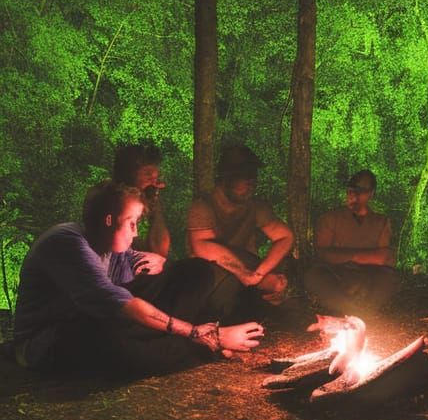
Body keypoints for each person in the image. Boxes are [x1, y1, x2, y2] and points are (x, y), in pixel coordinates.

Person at [11, 180, 263, 377]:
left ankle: (182, 341)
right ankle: (208, 343)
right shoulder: (67, 242)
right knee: (115, 339)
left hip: (102, 319)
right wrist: (195, 332)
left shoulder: (111, 246)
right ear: (108, 220)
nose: (135, 231)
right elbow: (118, 303)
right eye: (131, 222)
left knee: (195, 271)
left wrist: (157, 262)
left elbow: (148, 273)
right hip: (48, 341)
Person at [187, 142, 294, 318]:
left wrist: (260, 273)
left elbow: (285, 236)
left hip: (248, 277)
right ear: (226, 178)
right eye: (245, 177)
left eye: (253, 177)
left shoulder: (256, 207)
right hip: (210, 279)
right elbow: (203, 248)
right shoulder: (203, 206)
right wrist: (249, 275)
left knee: (283, 298)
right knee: (224, 286)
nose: (251, 183)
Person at [304, 169, 399, 316]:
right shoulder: (330, 218)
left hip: (368, 274)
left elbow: (384, 258)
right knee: (314, 276)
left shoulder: (381, 222)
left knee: (389, 278)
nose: (354, 195)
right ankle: (349, 310)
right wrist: (359, 257)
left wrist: (351, 256)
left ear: (371, 193)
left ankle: (365, 311)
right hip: (336, 273)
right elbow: (323, 253)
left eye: (361, 191)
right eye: (351, 190)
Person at [113, 140, 171, 257]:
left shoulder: (149, 199)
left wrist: (155, 201)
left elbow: (160, 248)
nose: (153, 181)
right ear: (129, 174)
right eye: (148, 174)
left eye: (156, 176)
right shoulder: (112, 200)